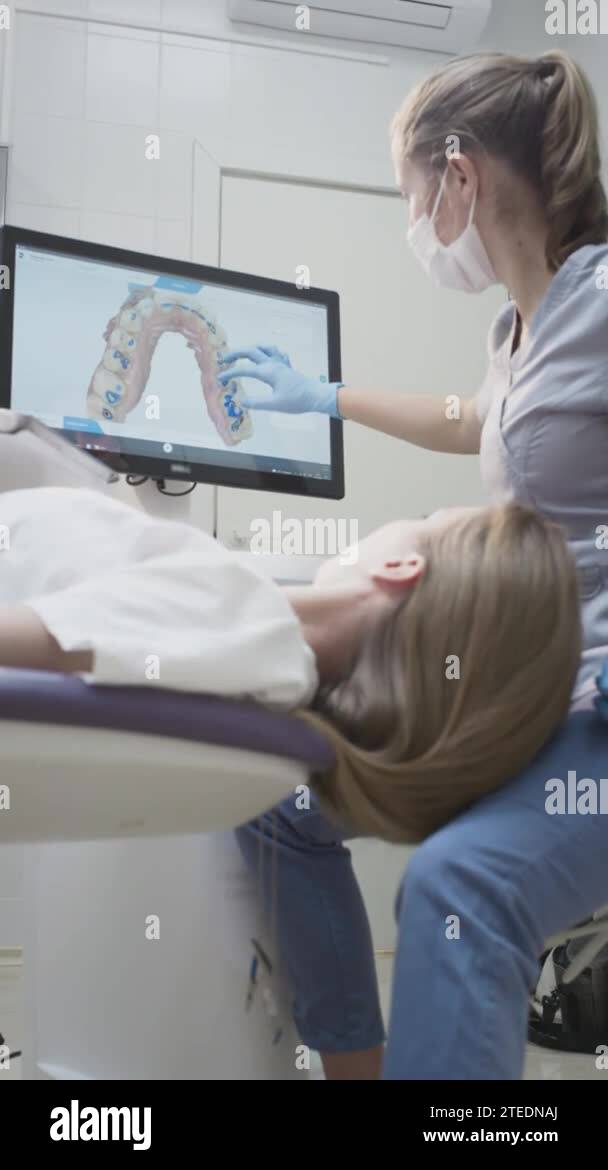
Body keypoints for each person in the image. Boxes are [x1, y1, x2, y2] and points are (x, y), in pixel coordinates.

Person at [230, 49, 608, 1078]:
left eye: (409, 195)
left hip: (595, 719)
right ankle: (359, 1067)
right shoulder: (519, 326)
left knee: (457, 885)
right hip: (528, 697)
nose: (414, 224)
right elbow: (474, 420)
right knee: (274, 797)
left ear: (459, 176)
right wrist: (326, 396)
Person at [0, 476, 580, 842]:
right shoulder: (266, 645)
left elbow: (32, 641)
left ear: (401, 566)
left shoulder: (243, 620)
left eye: (425, 521)